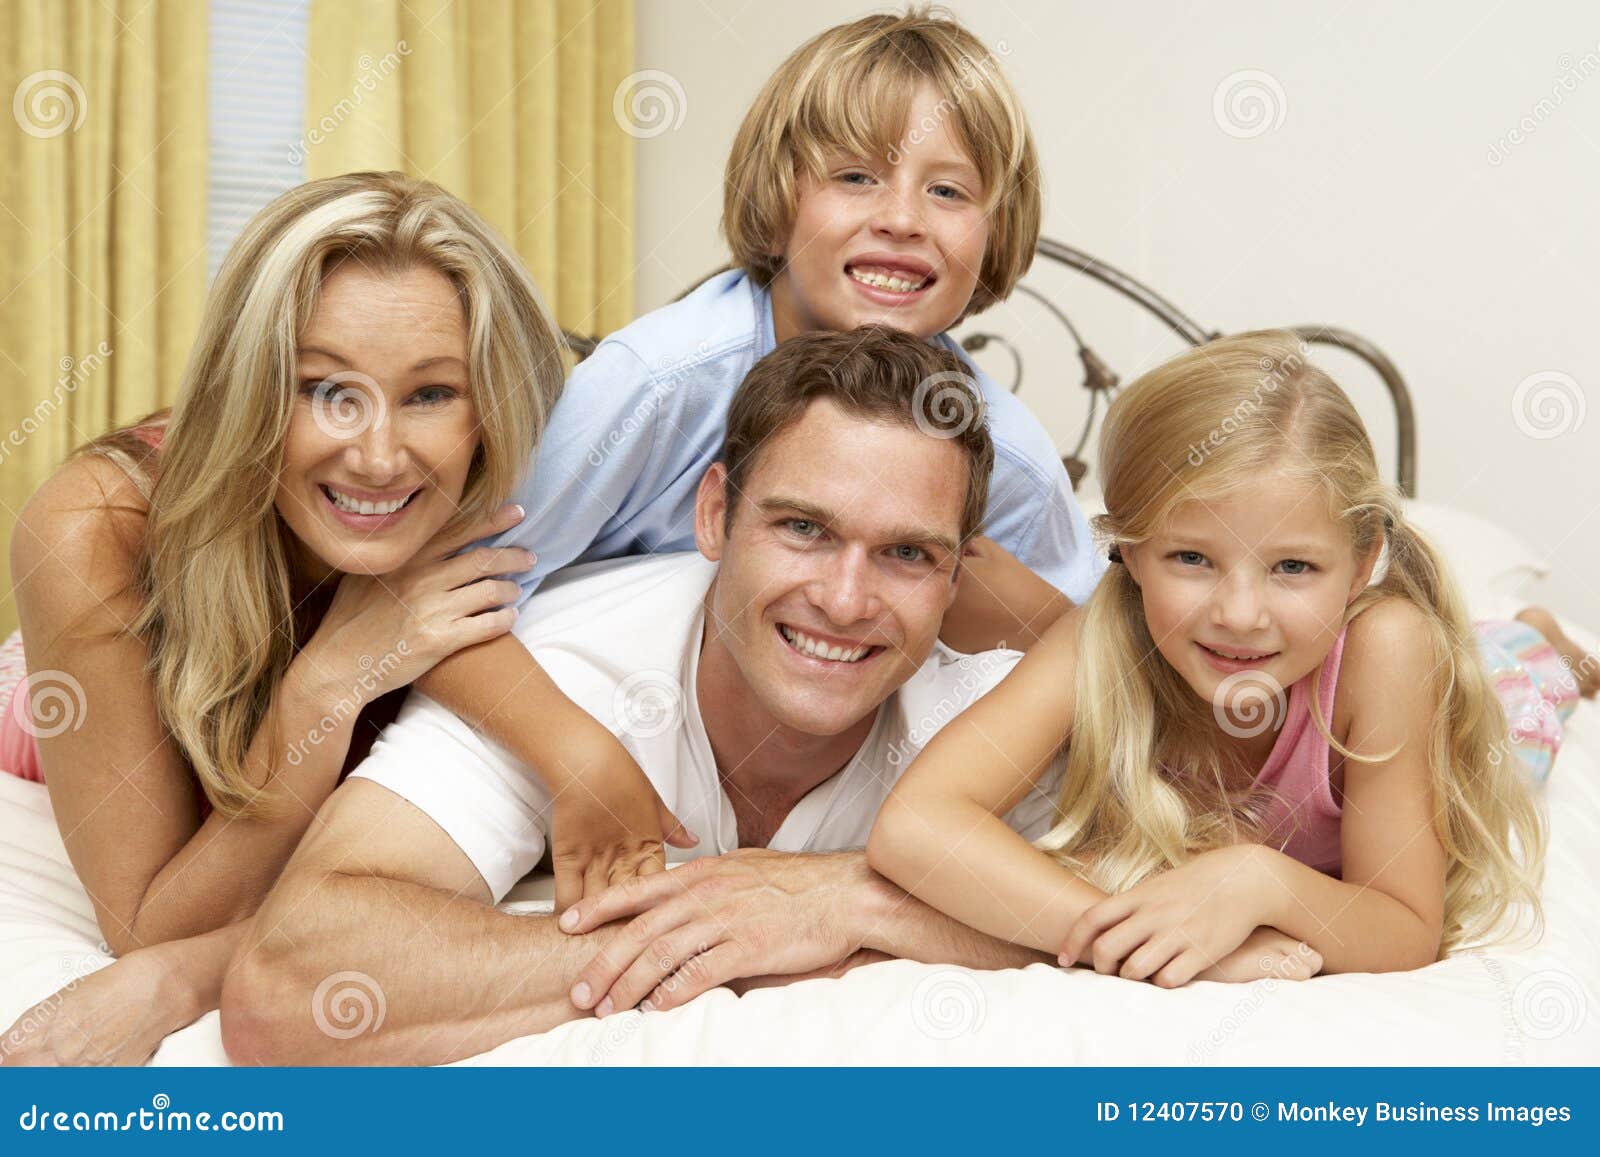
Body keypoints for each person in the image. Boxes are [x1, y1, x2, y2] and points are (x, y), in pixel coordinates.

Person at [219, 328, 1310, 1066]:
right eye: (801, 527)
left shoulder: (990, 716)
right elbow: (289, 976)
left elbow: (1173, 934)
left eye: (905, 554)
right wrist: (723, 932)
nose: (843, 598)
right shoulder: (567, 669)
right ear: (712, 516)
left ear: (956, 574)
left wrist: (850, 901)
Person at [400, 6, 1106, 911]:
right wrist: (579, 757)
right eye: (856, 176)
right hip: (569, 751)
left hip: (811, 799)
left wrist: (1011, 606)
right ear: (780, 198)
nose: (901, 220)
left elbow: (1107, 668)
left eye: (949, 192)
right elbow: (429, 605)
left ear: (996, 231)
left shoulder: (1000, 451)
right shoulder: (654, 386)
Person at [0, 171, 562, 1063]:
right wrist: (332, 682)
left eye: (431, 394)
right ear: (248, 388)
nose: (379, 458)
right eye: (322, 389)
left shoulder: (527, 502)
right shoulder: (93, 531)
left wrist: (186, 979)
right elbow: (148, 923)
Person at [868, 330, 1566, 987]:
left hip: (1497, 701)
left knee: (1525, 673)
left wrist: (1258, 880)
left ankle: (1536, 630)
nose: (1238, 613)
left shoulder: (1390, 647)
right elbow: (916, 824)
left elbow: (1408, 927)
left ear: (1360, 568)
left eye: (1292, 566)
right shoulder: (1103, 633)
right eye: (1192, 558)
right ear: (1131, 554)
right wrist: (1133, 938)